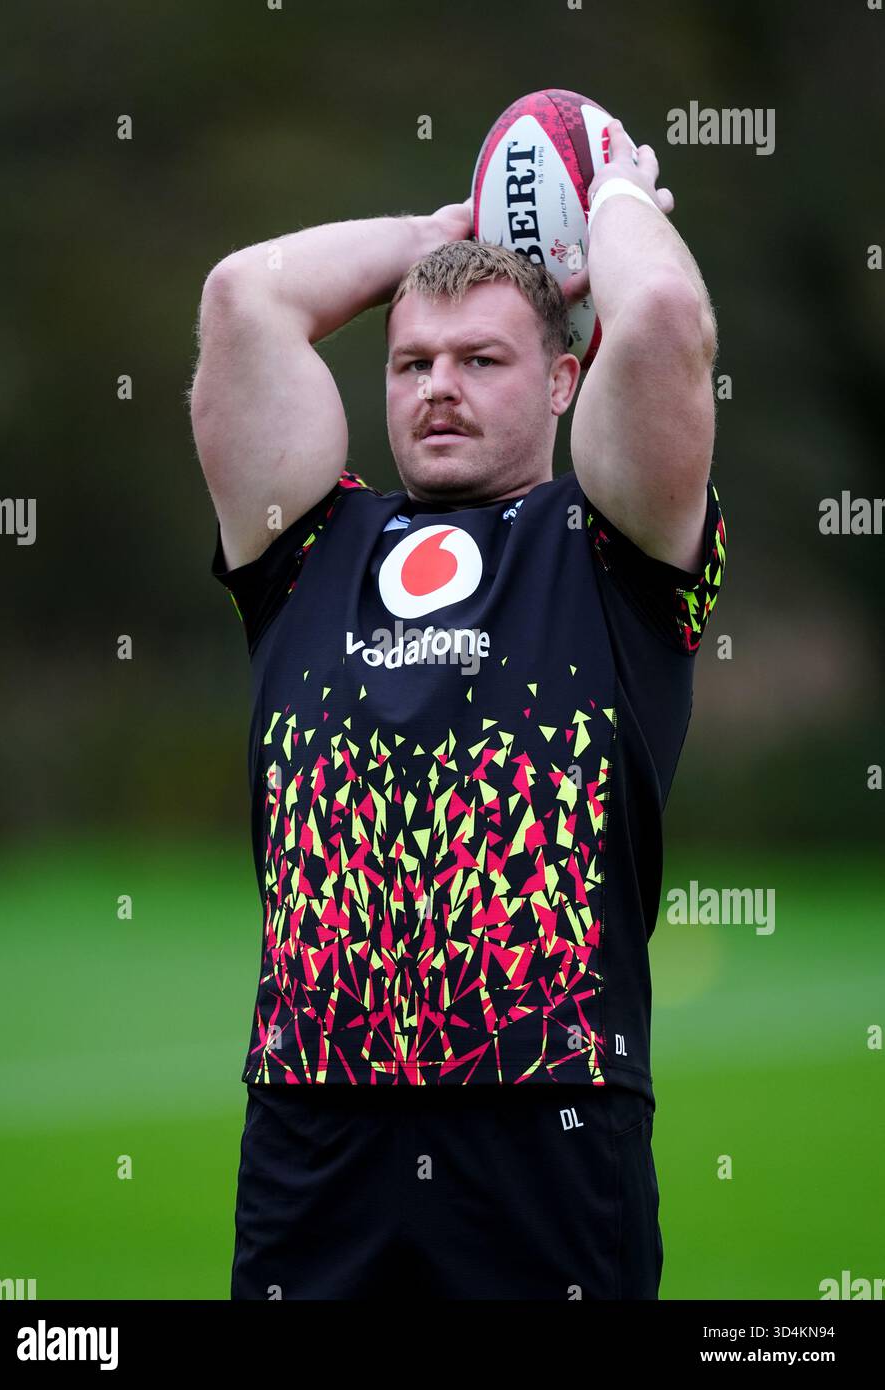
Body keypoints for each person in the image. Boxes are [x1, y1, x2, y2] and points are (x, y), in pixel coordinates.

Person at [189, 118, 726, 1300]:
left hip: (550, 1119)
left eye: (480, 360)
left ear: (563, 375)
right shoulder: (307, 544)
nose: (437, 387)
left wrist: (622, 200)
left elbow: (669, 326)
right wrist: (435, 241)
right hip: (311, 1124)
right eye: (411, 361)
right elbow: (243, 301)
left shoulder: (612, 543)